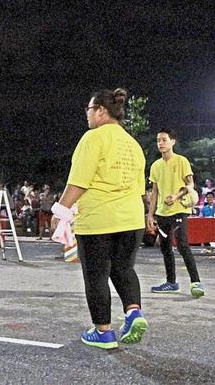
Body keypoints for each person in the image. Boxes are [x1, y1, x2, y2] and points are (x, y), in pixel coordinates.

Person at [53, 88, 148, 349]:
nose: (87, 115)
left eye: (89, 109)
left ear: (101, 111)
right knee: (123, 269)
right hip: (131, 220)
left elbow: (78, 182)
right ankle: (133, 312)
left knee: (96, 275)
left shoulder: (93, 138)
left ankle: (103, 332)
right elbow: (140, 190)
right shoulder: (134, 145)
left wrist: (59, 212)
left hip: (98, 220)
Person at [147, 129, 204, 297]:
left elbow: (190, 185)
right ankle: (171, 282)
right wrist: (151, 215)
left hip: (179, 209)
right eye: (158, 140)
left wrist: (176, 196)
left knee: (182, 244)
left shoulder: (181, 161)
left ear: (173, 142)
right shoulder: (156, 165)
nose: (161, 143)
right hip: (162, 212)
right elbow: (155, 192)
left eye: (164, 140)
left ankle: (196, 282)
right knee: (165, 248)